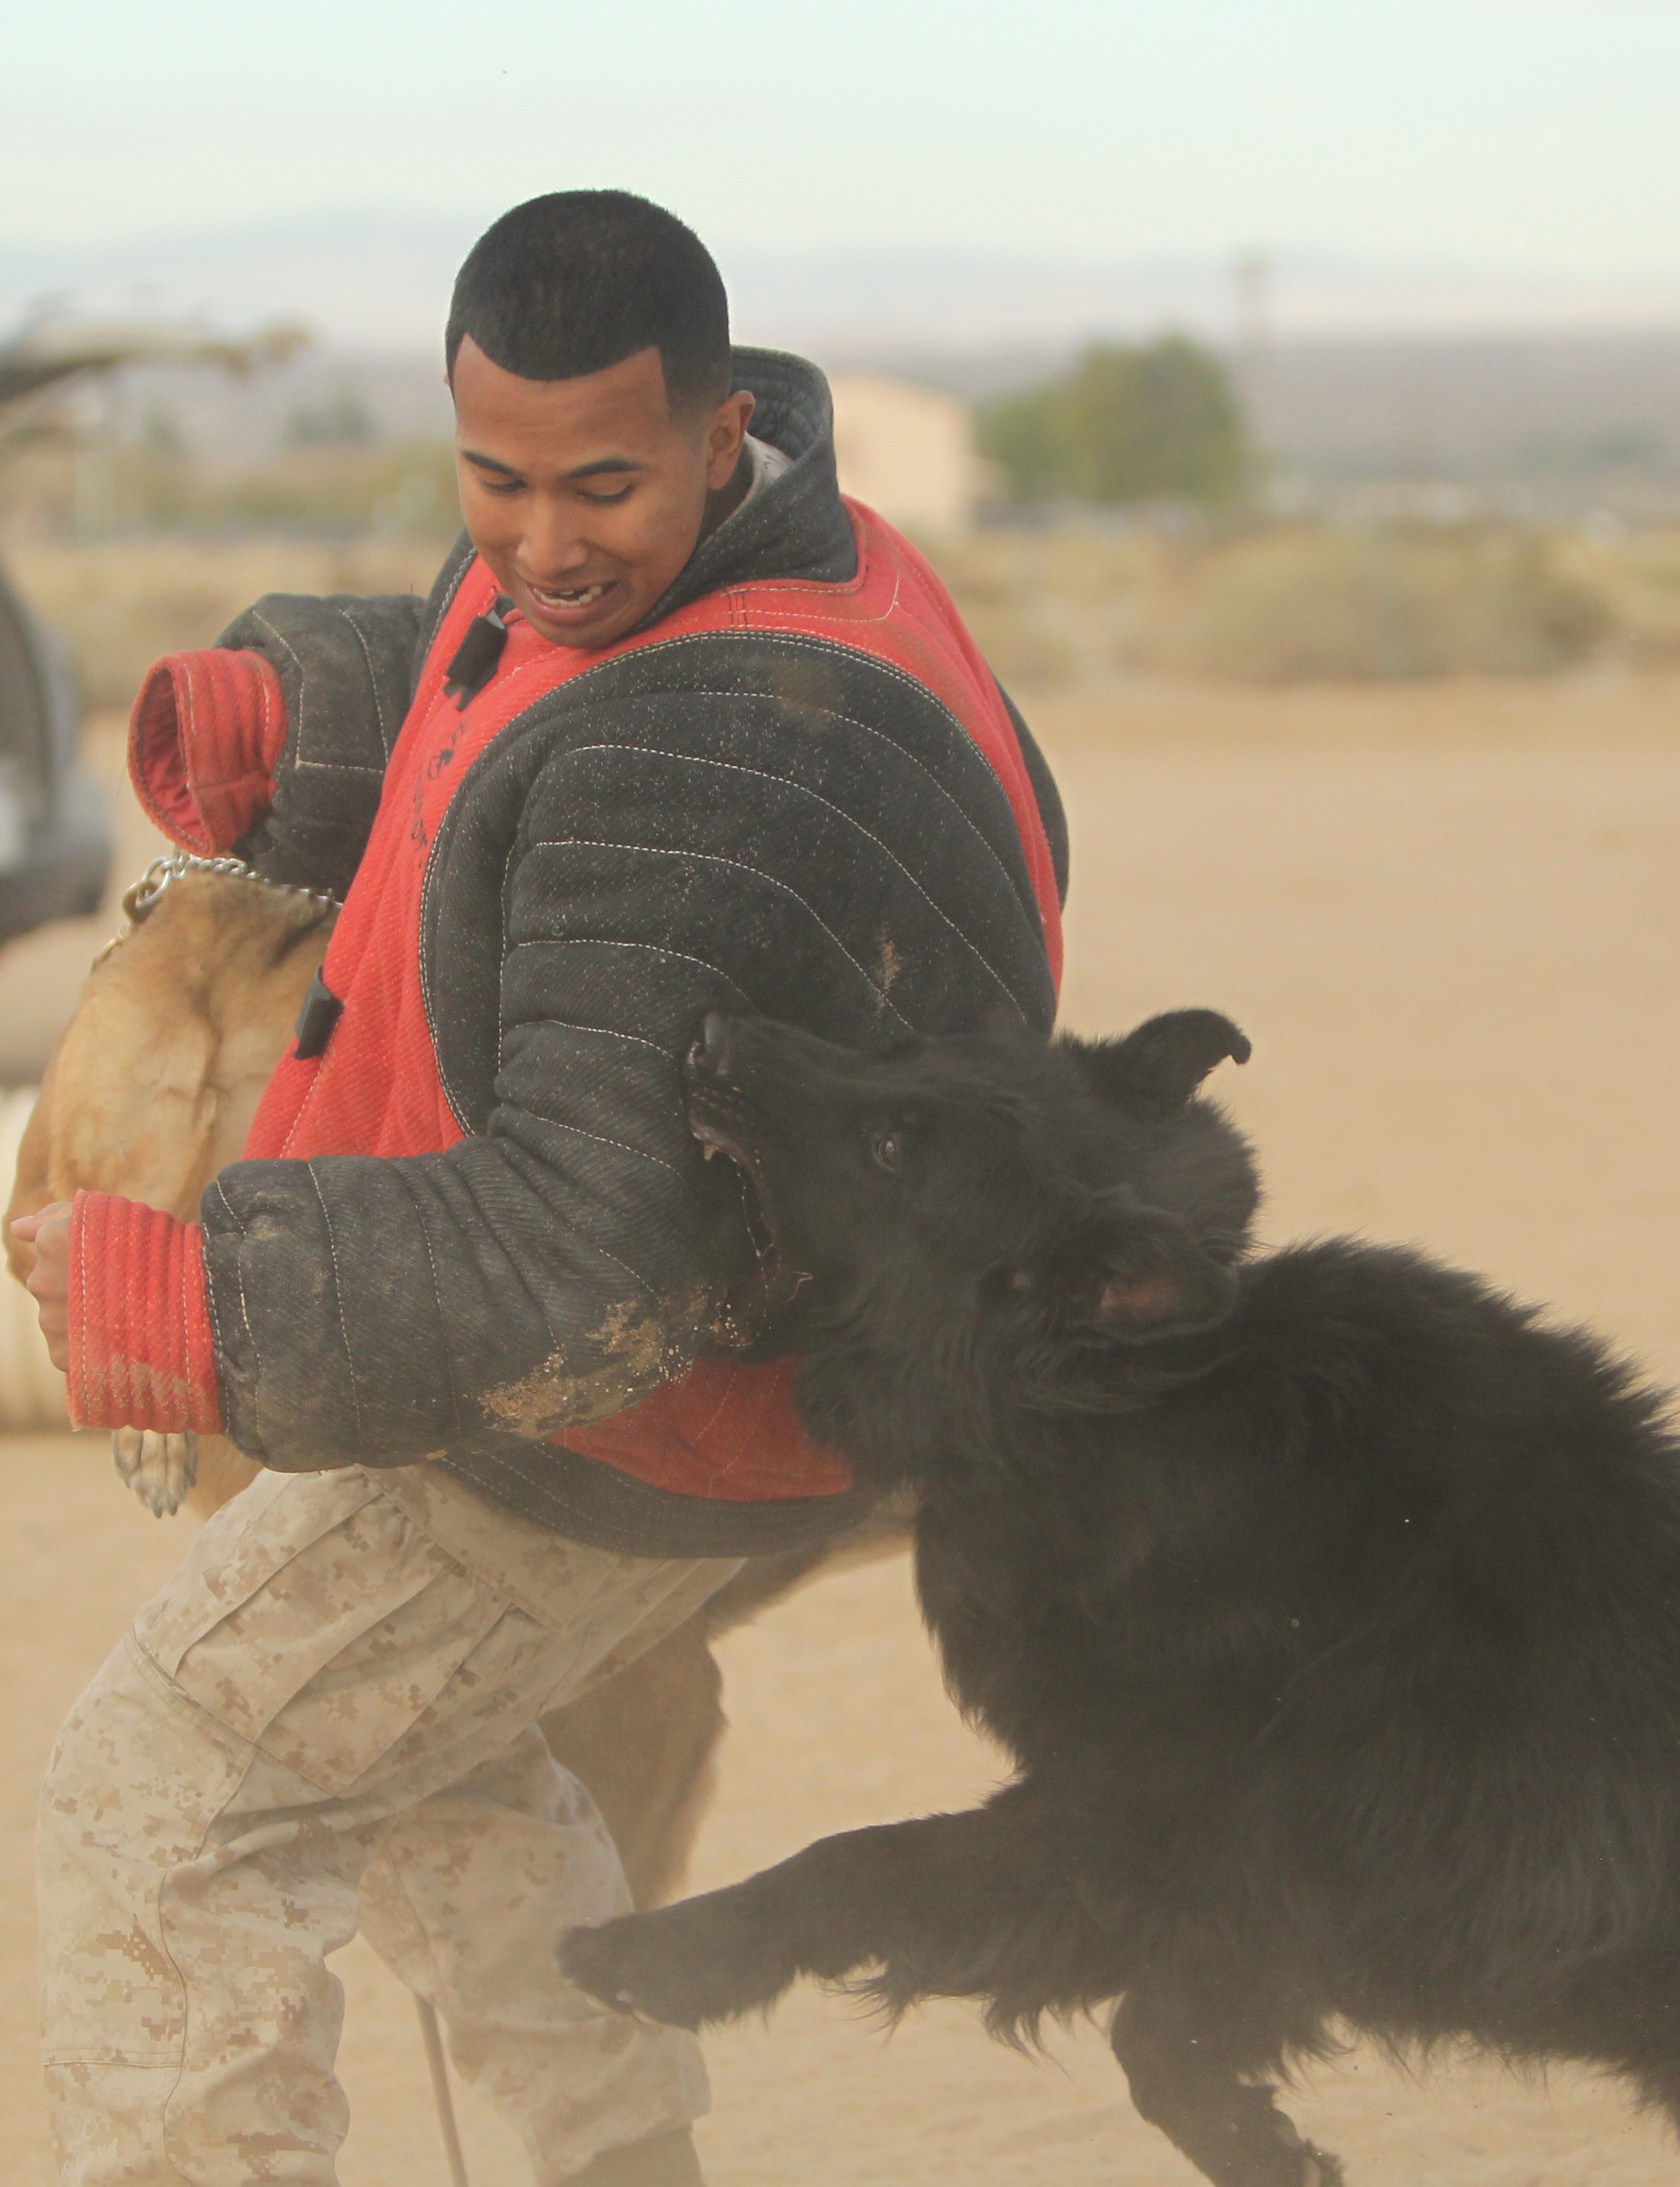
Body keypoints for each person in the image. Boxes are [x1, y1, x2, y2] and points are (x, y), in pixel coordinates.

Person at [12, 188, 1066, 2187]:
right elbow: (486, 661)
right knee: (437, 1773)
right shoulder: (794, 563)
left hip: (627, 1416)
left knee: (171, 1789)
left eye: (601, 487)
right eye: (493, 480)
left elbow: (584, 1260)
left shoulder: (708, 764)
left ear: (718, 426)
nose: (544, 543)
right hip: (768, 1384)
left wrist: (186, 1299)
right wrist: (291, 726)